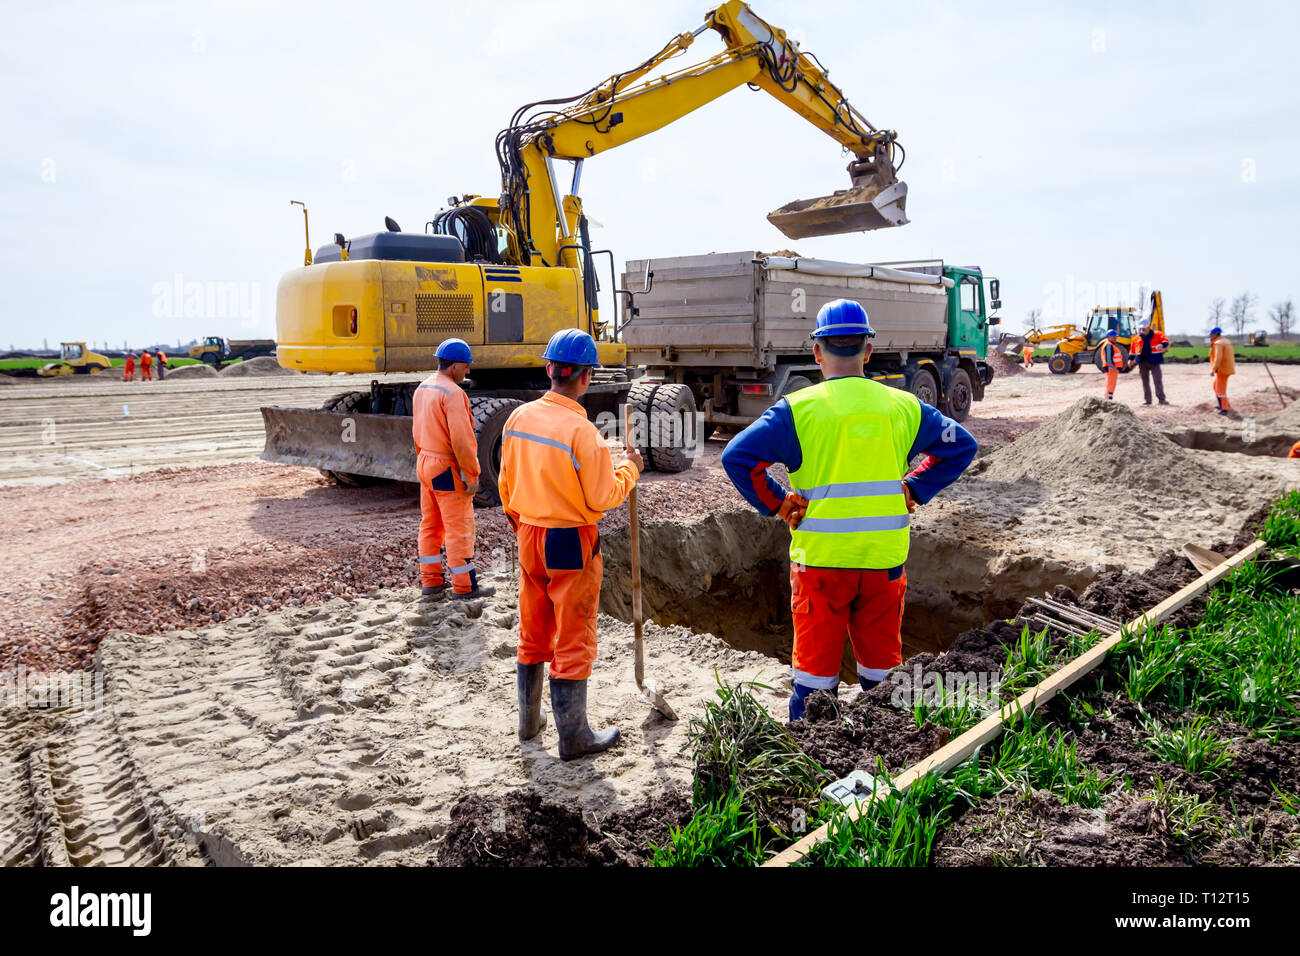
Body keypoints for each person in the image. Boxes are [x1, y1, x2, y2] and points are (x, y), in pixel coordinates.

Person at [720, 299, 978, 721]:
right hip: (883, 564)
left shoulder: (797, 411)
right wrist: (914, 487)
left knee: (814, 684)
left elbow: (737, 457)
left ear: (817, 351)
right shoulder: (903, 407)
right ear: (868, 350)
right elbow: (961, 446)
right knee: (884, 680)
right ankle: (890, 759)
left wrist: (780, 503)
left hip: (821, 567)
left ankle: (811, 759)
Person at [497, 329, 642, 759]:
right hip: (570, 542)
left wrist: (524, 526)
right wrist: (628, 470)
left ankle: (528, 723)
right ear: (586, 377)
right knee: (573, 635)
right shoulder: (584, 433)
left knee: (533, 626)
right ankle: (574, 736)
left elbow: (506, 484)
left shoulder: (517, 419)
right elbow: (601, 498)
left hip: (527, 534)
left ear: (549, 370)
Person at [413, 338, 490, 600]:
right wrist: (471, 474)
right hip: (446, 468)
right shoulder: (454, 394)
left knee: (431, 525)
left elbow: (416, 431)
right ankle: (465, 587)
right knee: (459, 528)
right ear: (455, 365)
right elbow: (462, 440)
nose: (467, 372)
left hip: (425, 463)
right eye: (466, 367)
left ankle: (432, 582)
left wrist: (423, 460)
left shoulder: (423, 388)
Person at [1129, 317, 1169, 406]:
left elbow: (1165, 341)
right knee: (1145, 382)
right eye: (1141, 328)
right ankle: (1147, 400)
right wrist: (1130, 360)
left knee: (1157, 380)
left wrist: (1162, 344)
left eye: (1144, 327)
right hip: (1142, 362)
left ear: (1148, 326)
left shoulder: (1158, 334)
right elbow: (1132, 350)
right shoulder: (1136, 338)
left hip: (1155, 361)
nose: (1143, 329)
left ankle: (1161, 399)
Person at [1209, 326, 1236, 416]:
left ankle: (1224, 408)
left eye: (1211, 335)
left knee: (1220, 389)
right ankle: (1222, 405)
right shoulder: (1226, 341)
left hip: (1222, 369)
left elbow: (1218, 358)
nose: (1210, 336)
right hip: (1227, 368)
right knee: (1216, 386)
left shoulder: (1218, 343)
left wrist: (1213, 369)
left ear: (1216, 334)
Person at [1098, 328, 1125, 400]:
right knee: (1110, 384)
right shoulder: (1108, 345)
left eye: (1116, 337)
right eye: (1114, 337)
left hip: (1112, 368)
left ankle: (1109, 398)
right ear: (1109, 337)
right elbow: (1108, 358)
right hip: (1111, 368)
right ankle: (1108, 399)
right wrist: (1112, 366)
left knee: (1111, 384)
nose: (1115, 338)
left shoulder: (1110, 345)